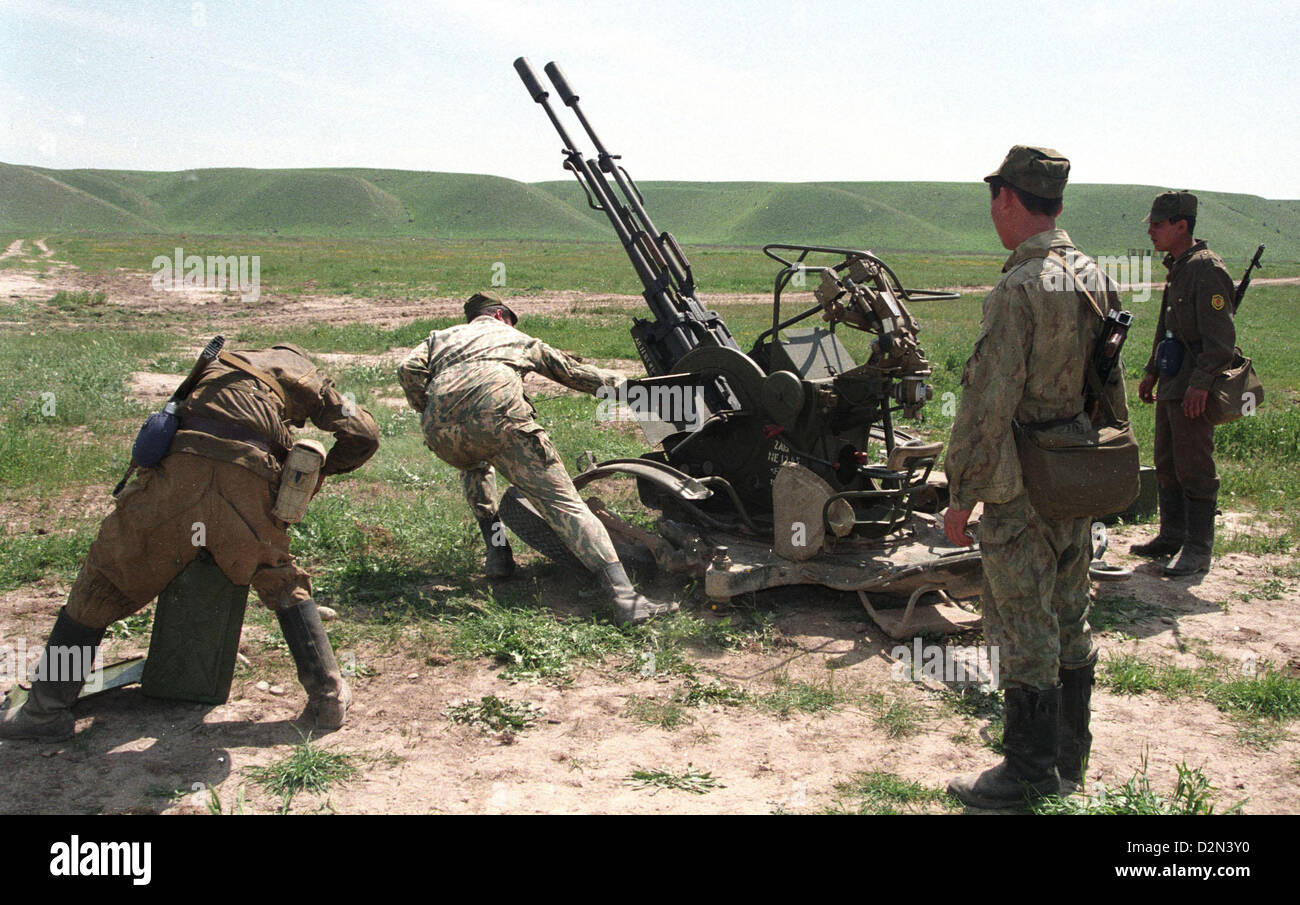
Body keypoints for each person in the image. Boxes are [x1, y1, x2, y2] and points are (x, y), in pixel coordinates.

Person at [0, 344, 379, 741]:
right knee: (277, 577)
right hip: (250, 469)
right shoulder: (309, 379)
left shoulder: (218, 359)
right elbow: (363, 433)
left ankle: (45, 711)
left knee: (104, 580)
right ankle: (328, 700)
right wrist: (313, 472)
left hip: (183, 460)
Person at [942, 146, 1129, 808]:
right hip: (1076, 476)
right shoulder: (1092, 277)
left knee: (1023, 618)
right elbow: (1110, 387)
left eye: (995, 201)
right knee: (1071, 607)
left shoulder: (1019, 289)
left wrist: (960, 494)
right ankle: (1069, 754)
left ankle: (1026, 770)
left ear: (1007, 200)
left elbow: (987, 404)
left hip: (1022, 484)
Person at [398, 292, 674, 625]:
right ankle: (626, 599)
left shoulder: (438, 339)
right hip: (501, 421)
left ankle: (498, 555)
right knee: (563, 503)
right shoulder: (513, 337)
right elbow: (574, 374)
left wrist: (427, 406)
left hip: (442, 434)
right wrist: (636, 392)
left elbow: (408, 368)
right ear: (500, 315)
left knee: (475, 465)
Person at [1130, 191, 1236, 577]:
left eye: (1158, 225)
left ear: (1181, 226)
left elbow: (1221, 341)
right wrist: (1152, 370)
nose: (1152, 232)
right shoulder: (1179, 265)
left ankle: (1197, 548)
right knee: (1166, 461)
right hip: (1173, 382)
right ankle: (1172, 534)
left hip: (1193, 386)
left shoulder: (1207, 269)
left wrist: (1202, 384)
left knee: (1194, 465)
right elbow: (1167, 327)